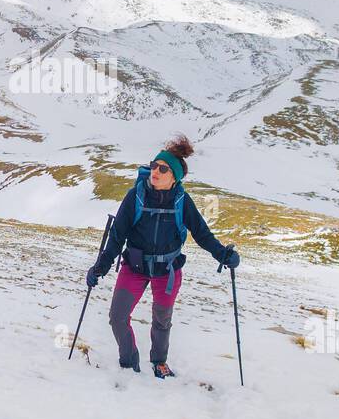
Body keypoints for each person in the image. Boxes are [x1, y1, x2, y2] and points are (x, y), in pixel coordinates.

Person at [86, 135, 240, 378]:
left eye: (163, 168)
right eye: (154, 165)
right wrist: (100, 267)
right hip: (134, 267)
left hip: (166, 271)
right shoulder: (135, 196)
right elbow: (117, 236)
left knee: (161, 321)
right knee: (117, 317)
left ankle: (159, 361)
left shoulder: (182, 201)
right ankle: (128, 361)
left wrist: (223, 255)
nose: (154, 171)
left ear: (174, 176)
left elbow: (201, 233)